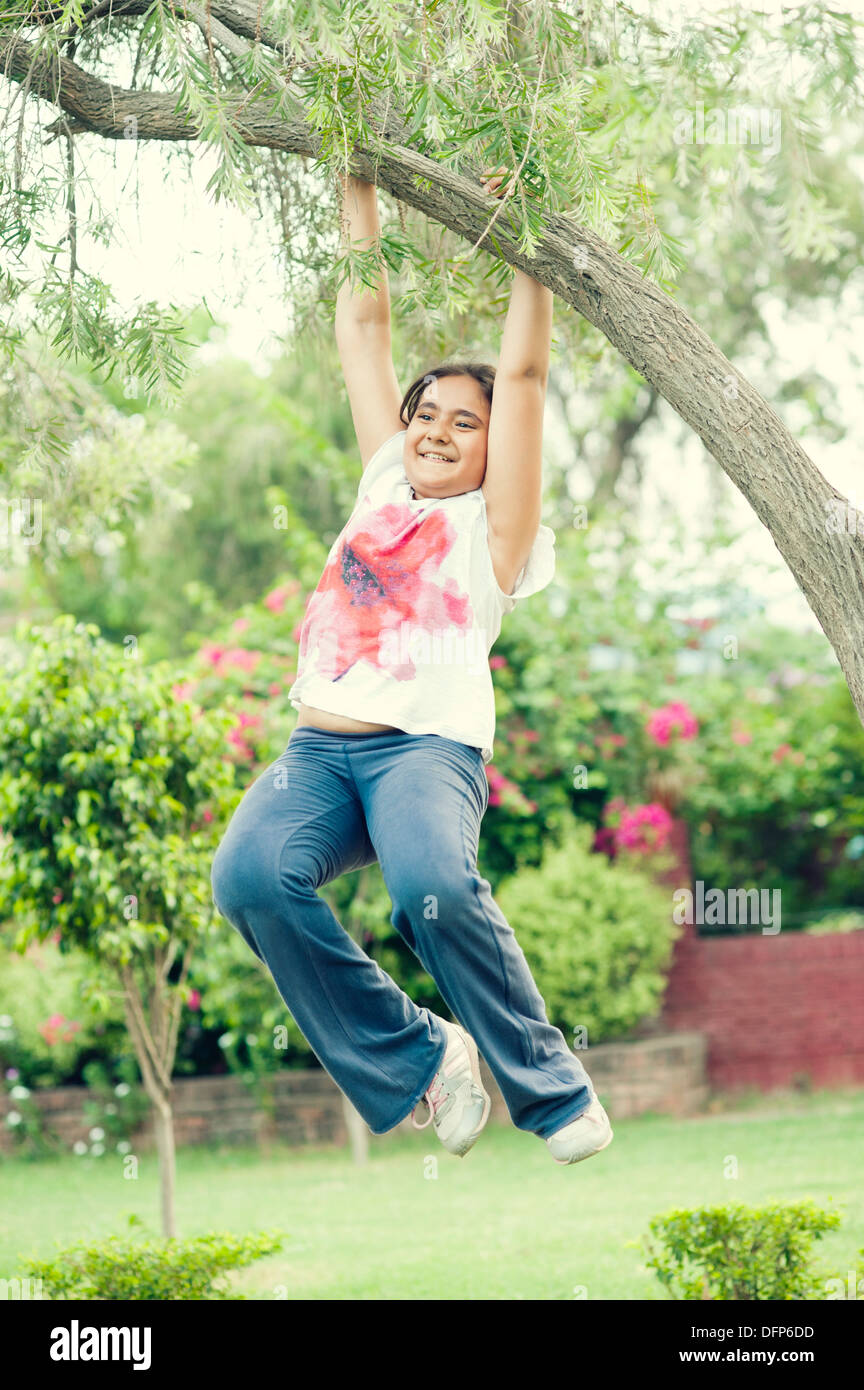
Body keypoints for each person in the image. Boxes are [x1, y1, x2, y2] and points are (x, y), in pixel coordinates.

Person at [210, 167, 613, 1166]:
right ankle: (426, 1057)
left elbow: (522, 379)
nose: (435, 430)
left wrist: (527, 238)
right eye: (425, 412)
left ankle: (553, 1093)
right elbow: (363, 326)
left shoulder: (497, 528)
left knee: (429, 883)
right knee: (250, 876)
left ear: (491, 448)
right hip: (318, 753)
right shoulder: (385, 475)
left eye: (461, 422)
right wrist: (356, 180)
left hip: (423, 754)